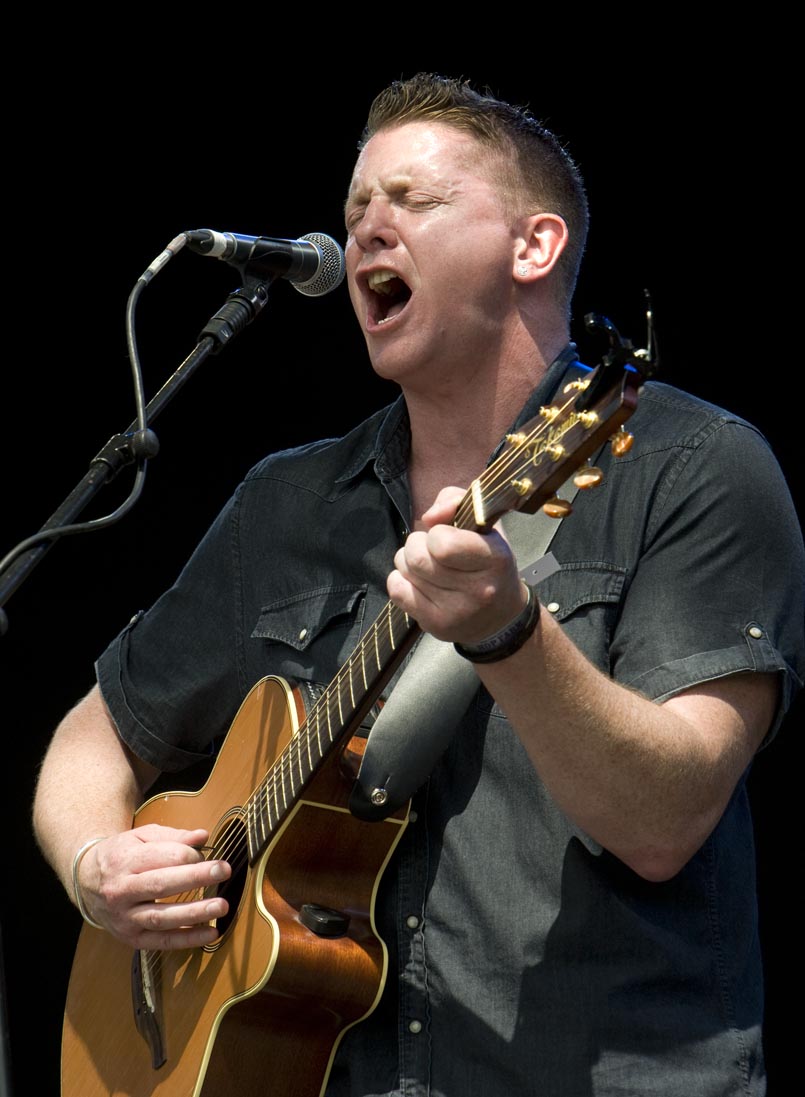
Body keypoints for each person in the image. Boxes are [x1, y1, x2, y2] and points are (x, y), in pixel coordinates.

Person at [32, 73, 804, 1097]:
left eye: (415, 202)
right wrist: (95, 865)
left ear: (533, 246)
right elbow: (94, 734)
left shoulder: (692, 465)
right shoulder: (288, 501)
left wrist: (509, 633)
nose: (365, 234)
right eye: (355, 213)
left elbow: (663, 821)